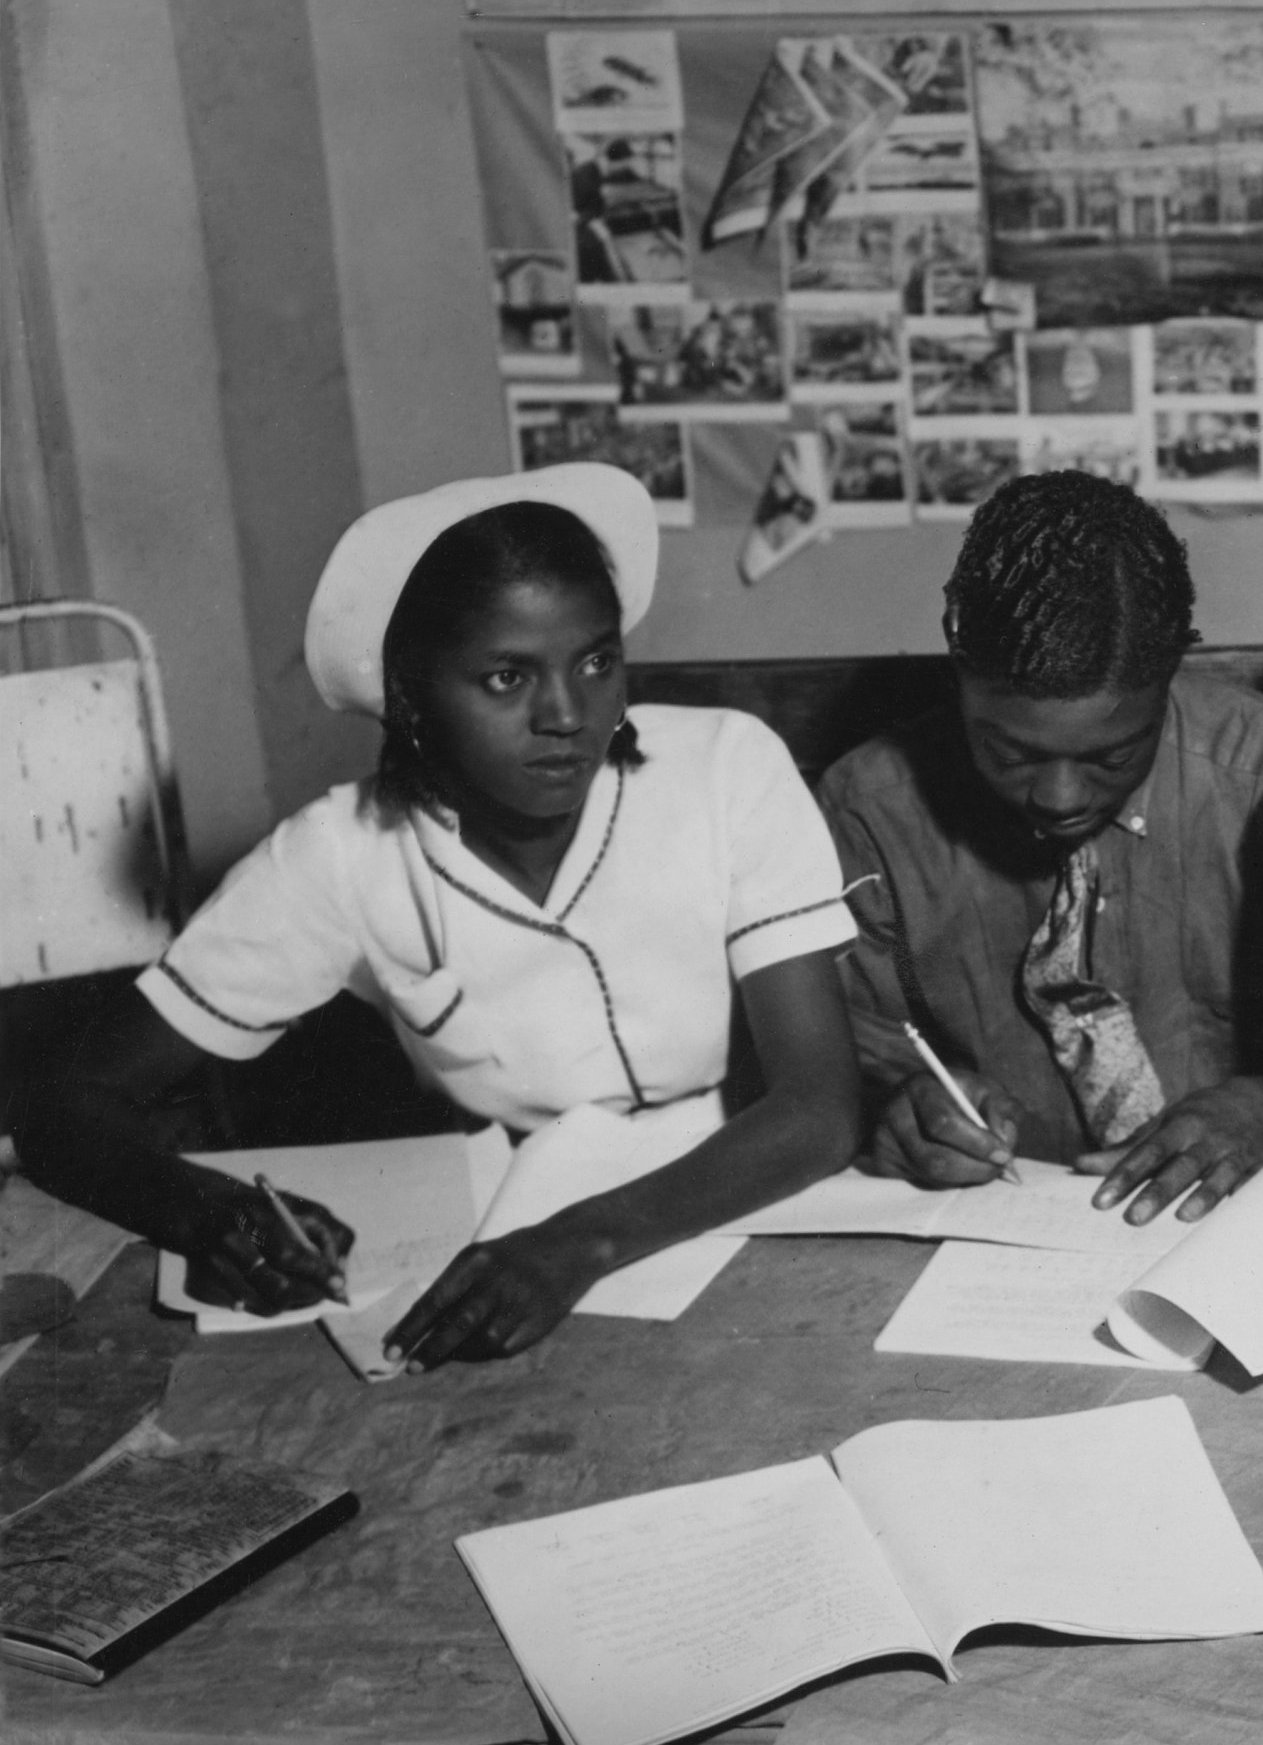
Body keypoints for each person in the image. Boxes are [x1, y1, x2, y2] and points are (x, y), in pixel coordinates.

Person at [18, 465, 863, 1368]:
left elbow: (819, 1110)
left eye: (596, 661)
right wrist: (210, 1213)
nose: (567, 714)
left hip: (753, 1189)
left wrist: (580, 1244)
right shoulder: (340, 855)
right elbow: (64, 1104)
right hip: (502, 1234)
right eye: (506, 677)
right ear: (412, 700)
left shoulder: (726, 768)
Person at [819, 471, 1263, 1222]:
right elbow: (843, 1057)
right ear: (957, 660)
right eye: (1010, 752)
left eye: (1112, 757)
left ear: (1171, 674)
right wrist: (903, 1107)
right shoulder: (870, 815)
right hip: (1007, 1222)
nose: (1060, 797)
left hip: (1260, 1214)